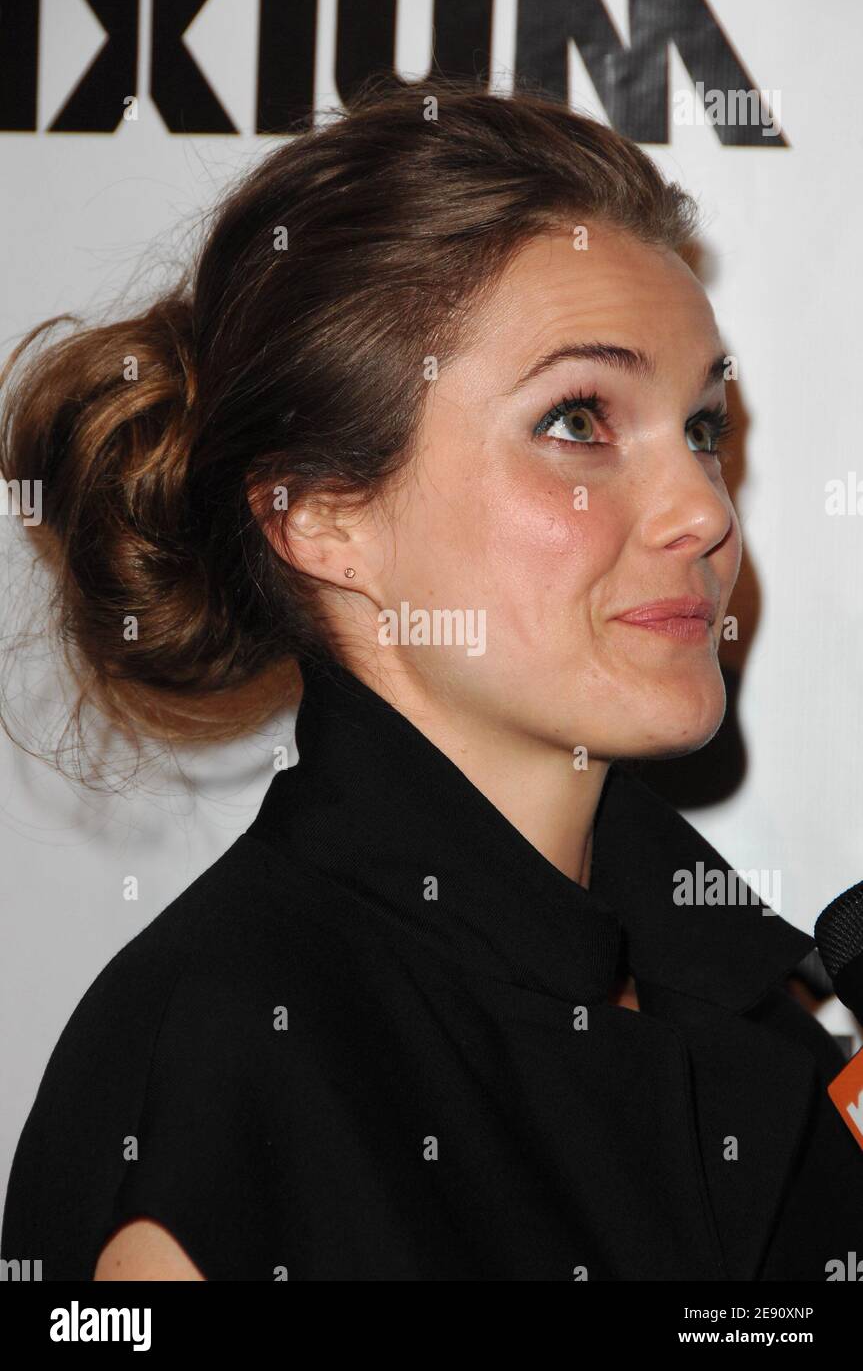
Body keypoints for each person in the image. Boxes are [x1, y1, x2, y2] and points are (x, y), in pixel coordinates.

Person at [1, 77, 860, 1282]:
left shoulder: (759, 1006)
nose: (701, 512)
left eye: (702, 427)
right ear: (319, 519)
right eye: (576, 419)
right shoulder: (228, 1061)